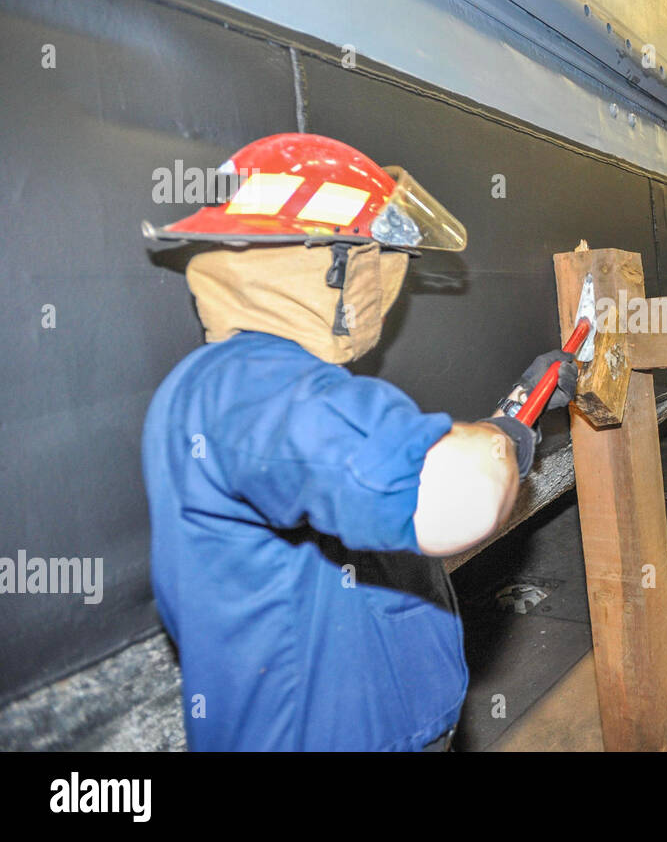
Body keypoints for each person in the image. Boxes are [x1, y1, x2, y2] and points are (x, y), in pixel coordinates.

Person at [140, 133, 576, 751]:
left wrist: (518, 411)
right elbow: (456, 495)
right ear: (330, 262)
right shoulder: (251, 383)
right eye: (379, 256)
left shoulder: (245, 385)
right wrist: (506, 438)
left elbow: (364, 477)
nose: (386, 281)